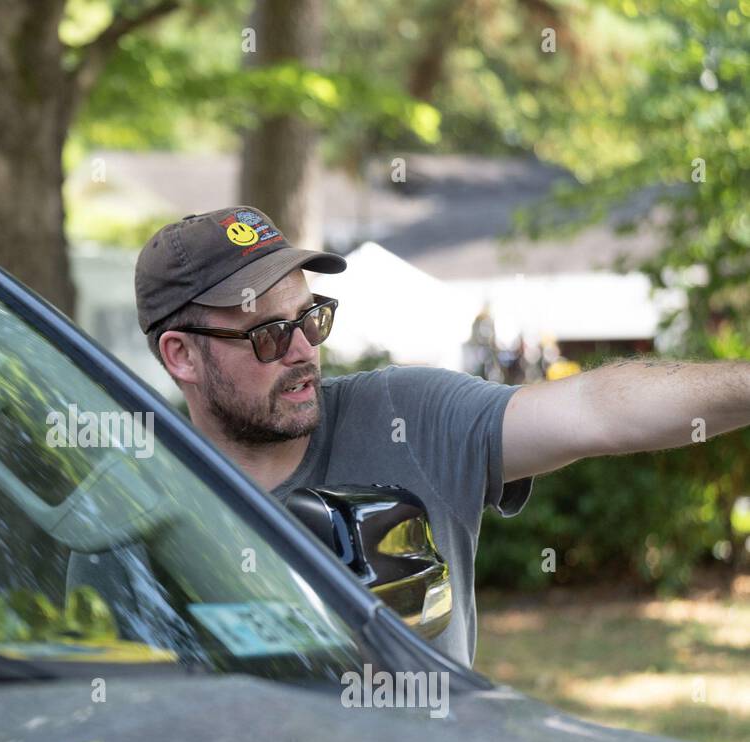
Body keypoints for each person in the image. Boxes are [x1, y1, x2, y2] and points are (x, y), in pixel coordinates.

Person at [121, 205, 750, 667]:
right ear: (181, 356)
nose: (306, 349)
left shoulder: (408, 417)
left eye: (312, 317)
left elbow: (595, 408)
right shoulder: (130, 508)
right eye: (268, 333)